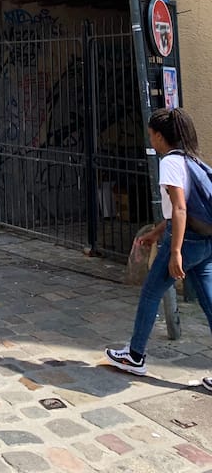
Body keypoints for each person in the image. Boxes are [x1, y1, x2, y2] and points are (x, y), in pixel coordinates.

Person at [105, 107, 212, 392]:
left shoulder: (170, 163)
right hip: (205, 241)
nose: (150, 139)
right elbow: (183, 210)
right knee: (210, 302)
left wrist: (174, 250)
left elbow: (180, 208)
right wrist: (155, 232)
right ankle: (135, 353)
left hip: (185, 241)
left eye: (152, 134)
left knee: (151, 291)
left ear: (161, 136)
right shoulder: (193, 160)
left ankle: (135, 355)